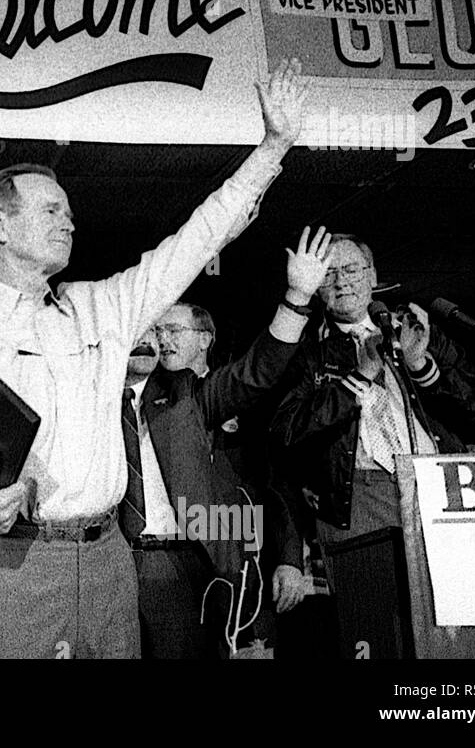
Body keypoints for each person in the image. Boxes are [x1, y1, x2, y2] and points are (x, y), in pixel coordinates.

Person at [0, 58, 311, 659]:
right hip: (6, 566)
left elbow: (198, 238)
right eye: (50, 209)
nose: (69, 220)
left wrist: (273, 146)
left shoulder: (103, 306)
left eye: (69, 211)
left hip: (108, 562)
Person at [269, 234, 475, 655]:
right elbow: (286, 434)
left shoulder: (420, 335)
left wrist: (421, 365)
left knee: (449, 630)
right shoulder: (305, 354)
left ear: (373, 276)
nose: (342, 282)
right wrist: (357, 378)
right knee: (378, 633)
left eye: (352, 270)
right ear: (316, 286)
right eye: (329, 273)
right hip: (359, 500)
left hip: (438, 496)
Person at [120, 226, 329, 658]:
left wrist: (296, 298)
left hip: (188, 560)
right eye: (145, 328)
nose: (156, 338)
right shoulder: (94, 402)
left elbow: (258, 371)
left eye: (164, 330)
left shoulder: (186, 396)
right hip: (110, 563)